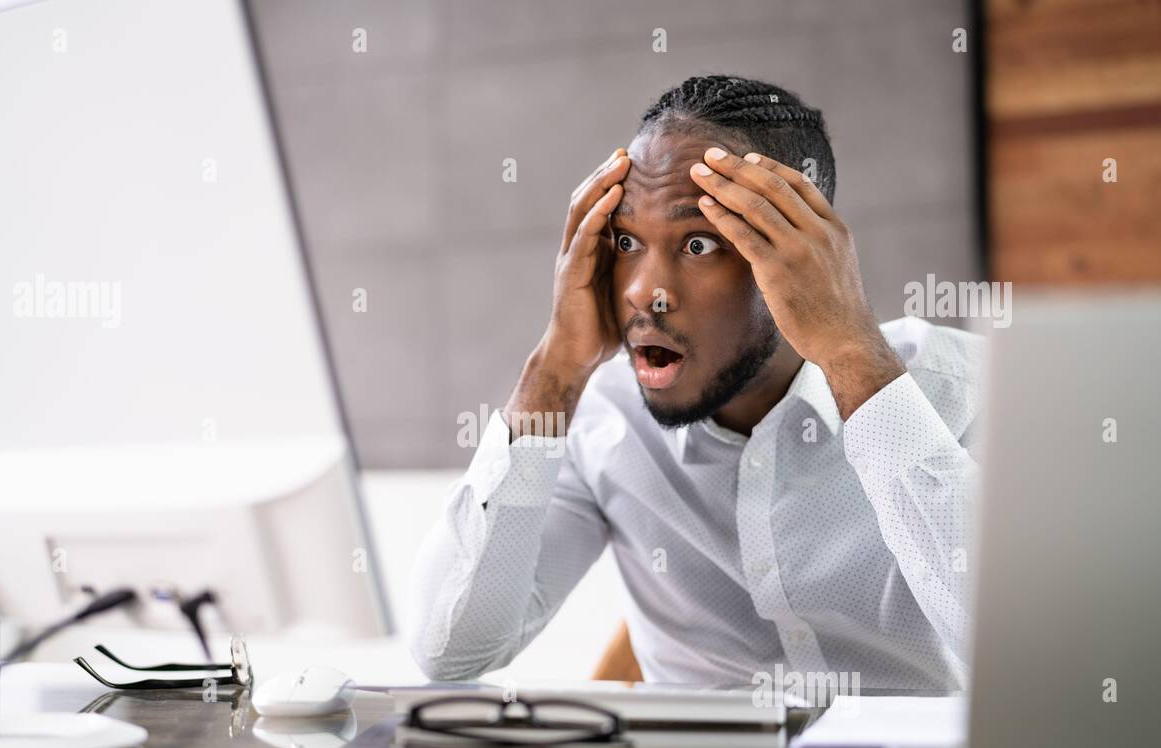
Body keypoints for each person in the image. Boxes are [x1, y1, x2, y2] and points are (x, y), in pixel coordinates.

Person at [407, 75, 983, 691]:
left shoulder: (967, 394)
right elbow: (451, 653)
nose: (640, 291)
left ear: (805, 253)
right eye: (626, 242)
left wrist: (851, 353)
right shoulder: (600, 418)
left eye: (699, 243)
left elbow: (1027, 654)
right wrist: (554, 369)